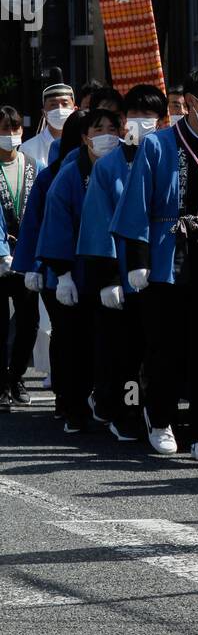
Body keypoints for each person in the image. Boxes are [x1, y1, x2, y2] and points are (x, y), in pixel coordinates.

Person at [111, 66, 198, 460]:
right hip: (167, 249)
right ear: (190, 102)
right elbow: (137, 203)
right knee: (164, 344)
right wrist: (138, 258)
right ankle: (161, 417)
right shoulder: (157, 144)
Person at [77, 84, 166, 442]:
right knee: (123, 350)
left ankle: (156, 411)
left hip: (163, 272)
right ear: (126, 120)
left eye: (152, 116)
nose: (144, 123)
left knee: (157, 347)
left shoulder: (170, 156)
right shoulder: (109, 165)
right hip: (122, 274)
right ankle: (124, 410)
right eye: (137, 115)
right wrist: (109, 277)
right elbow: (98, 224)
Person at [37, 107, 124, 434]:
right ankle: (73, 407)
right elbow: (56, 223)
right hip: (76, 272)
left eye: (112, 127)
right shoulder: (70, 173)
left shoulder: (127, 167)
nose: (105, 135)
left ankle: (109, 403)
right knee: (74, 343)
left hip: (115, 273)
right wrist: (61, 274)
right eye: (97, 129)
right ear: (85, 136)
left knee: (109, 344)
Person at [11, 112, 89, 423]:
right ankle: (66, 397)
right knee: (65, 334)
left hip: (93, 265)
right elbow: (33, 224)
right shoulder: (52, 174)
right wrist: (30, 265)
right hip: (55, 269)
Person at [0, 106, 43, 409]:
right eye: (4, 129)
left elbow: (41, 212)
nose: (11, 135)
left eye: (15, 129)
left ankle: (16, 375)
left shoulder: (34, 166)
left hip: (27, 254)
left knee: (29, 321)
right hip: (0, 256)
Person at [21, 82, 76, 169]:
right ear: (44, 113)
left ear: (74, 110)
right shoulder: (28, 148)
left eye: (65, 104)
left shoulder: (83, 144)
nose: (59, 109)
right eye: (53, 105)